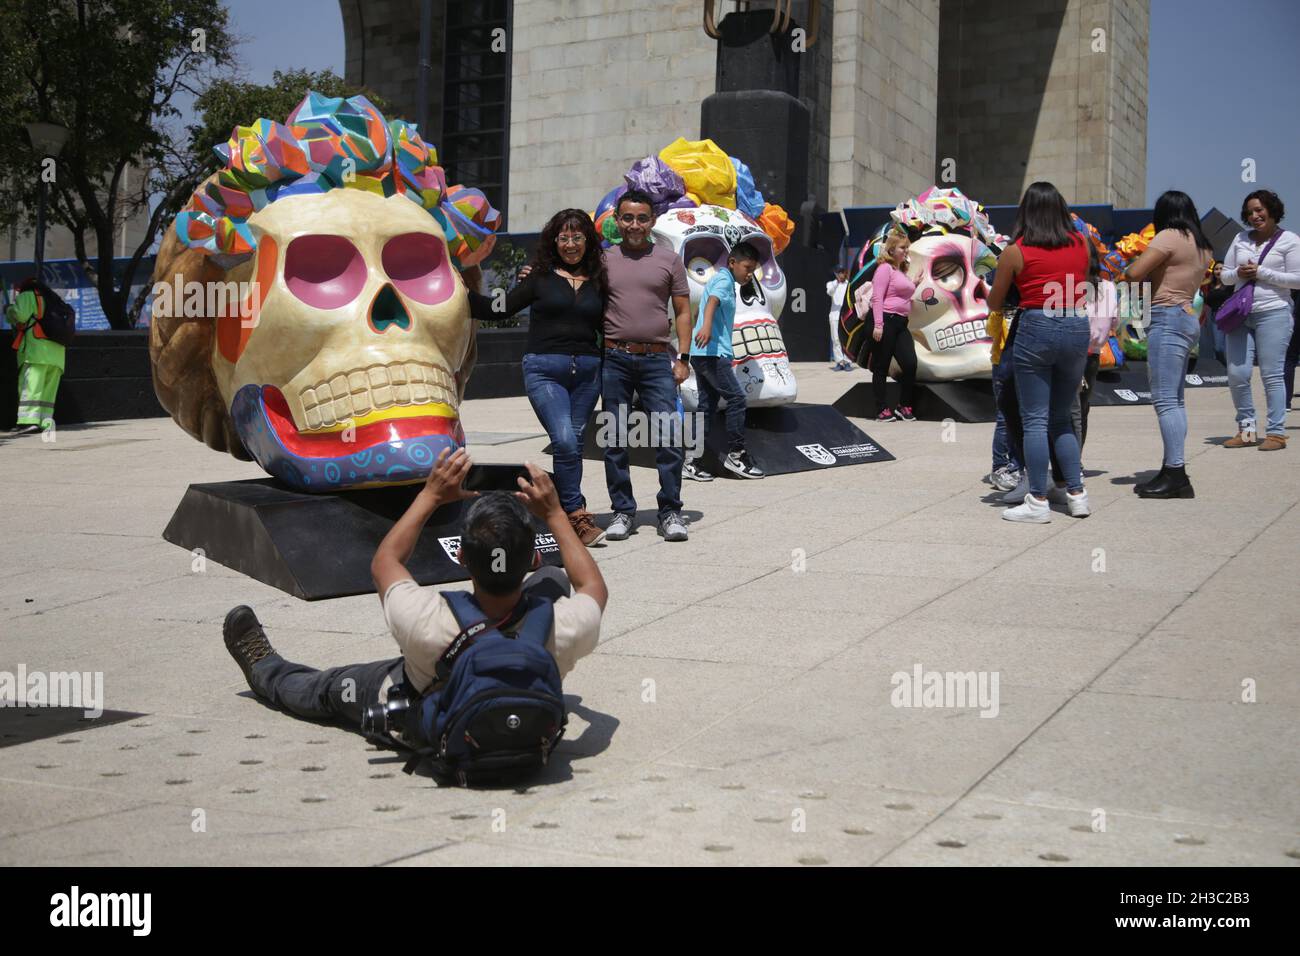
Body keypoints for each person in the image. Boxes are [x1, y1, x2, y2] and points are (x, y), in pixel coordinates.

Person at [221, 450, 606, 739]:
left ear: (460, 557)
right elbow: (592, 586)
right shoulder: (566, 627)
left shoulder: (425, 618)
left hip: (425, 694)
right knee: (554, 578)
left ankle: (266, 672)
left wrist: (431, 495)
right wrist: (556, 514)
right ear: (534, 556)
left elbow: (385, 560)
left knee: (326, 689)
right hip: (525, 725)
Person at [468, 209, 607, 545]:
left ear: (587, 240)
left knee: (570, 446)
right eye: (563, 237)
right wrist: (460, 288)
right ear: (553, 241)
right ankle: (577, 515)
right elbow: (499, 308)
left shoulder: (601, 279)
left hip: (588, 372)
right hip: (545, 368)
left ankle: (562, 512)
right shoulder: (539, 277)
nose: (570, 244)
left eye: (577, 237)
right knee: (565, 440)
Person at [986, 181, 1091, 523]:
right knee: (1062, 419)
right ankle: (1077, 495)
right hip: (1076, 327)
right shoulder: (1082, 243)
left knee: (1034, 420)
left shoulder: (1015, 251)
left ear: (1026, 212)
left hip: (1036, 326)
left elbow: (995, 301)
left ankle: (1038, 501)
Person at [599, 188, 693, 542]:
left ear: (652, 221)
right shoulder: (604, 260)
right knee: (614, 438)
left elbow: (683, 312)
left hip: (657, 359)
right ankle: (622, 511)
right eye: (628, 218)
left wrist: (683, 359)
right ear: (617, 221)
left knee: (669, 437)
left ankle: (670, 511)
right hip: (614, 359)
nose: (635, 225)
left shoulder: (669, 260)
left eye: (642, 218)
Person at [1122, 190, 1213, 497]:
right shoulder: (1201, 244)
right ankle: (1170, 466)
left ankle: (1176, 474)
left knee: (1164, 400)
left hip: (1168, 317)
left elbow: (1134, 273)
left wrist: (1128, 269)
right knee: (1176, 400)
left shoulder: (1170, 236)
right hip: (1187, 316)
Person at [1219, 189, 1300, 451]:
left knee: (1272, 374)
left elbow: (1297, 279)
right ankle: (1247, 430)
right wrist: (1239, 273)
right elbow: (1225, 277)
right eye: (1250, 212)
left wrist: (1262, 272)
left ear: (1273, 211)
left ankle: (1276, 433)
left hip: (1273, 311)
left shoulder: (1289, 240)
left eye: (1260, 210)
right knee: (1237, 373)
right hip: (1240, 313)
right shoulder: (1240, 238)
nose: (1255, 216)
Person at [684, 241, 765, 481]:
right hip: (711, 353)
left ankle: (691, 461)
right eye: (747, 268)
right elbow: (711, 303)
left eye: (753, 269)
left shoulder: (723, 281)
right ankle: (736, 455)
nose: (750, 274)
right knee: (737, 399)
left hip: (705, 354)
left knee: (706, 408)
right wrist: (707, 326)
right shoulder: (724, 280)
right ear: (732, 263)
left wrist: (702, 323)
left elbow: (702, 306)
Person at [869, 227, 918, 423]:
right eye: (902, 248)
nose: (905, 251)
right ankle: (881, 409)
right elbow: (877, 298)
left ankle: (903, 406)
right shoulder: (884, 269)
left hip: (900, 323)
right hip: (886, 321)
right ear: (891, 250)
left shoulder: (900, 271)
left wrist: (915, 282)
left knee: (910, 363)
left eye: (907, 248)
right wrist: (878, 325)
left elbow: (902, 291)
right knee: (881, 367)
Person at [6, 283, 66, 436]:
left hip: (37, 352)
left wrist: (8, 310)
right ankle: (44, 421)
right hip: (57, 354)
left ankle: (28, 422)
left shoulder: (28, 295)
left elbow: (20, 316)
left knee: (31, 388)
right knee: (48, 391)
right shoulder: (55, 300)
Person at [825, 267, 853, 370]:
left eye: (843, 272)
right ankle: (839, 362)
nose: (841, 274)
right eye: (839, 273)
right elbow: (830, 292)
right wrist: (837, 282)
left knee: (846, 340)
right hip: (834, 315)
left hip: (846, 316)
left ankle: (847, 362)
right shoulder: (831, 284)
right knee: (836, 339)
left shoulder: (849, 285)